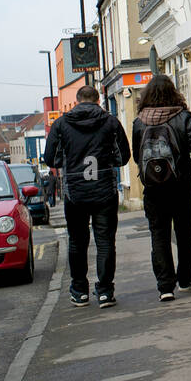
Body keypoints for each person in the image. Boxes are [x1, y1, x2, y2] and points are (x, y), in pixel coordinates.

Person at [42, 85, 130, 308]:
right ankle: (105, 292)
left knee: (77, 243)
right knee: (105, 242)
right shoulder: (110, 122)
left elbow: (50, 158)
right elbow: (124, 156)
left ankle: (79, 291)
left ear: (77, 100)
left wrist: (68, 162)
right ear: (98, 100)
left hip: (75, 193)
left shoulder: (61, 124)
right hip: (104, 191)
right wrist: (108, 162)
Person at [131, 75, 191, 303]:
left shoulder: (139, 121)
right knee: (184, 233)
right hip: (181, 185)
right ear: (174, 93)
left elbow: (137, 155)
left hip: (153, 189)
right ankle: (185, 277)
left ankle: (165, 286)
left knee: (159, 235)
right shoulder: (183, 117)